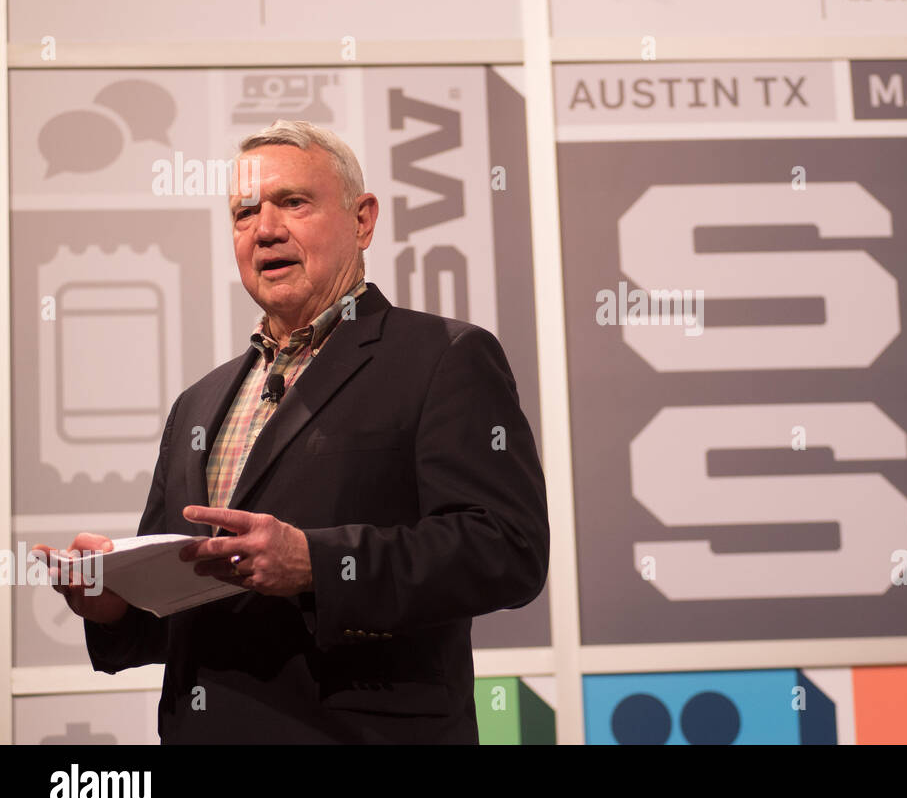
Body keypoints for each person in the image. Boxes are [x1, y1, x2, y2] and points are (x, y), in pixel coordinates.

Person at [36, 120, 548, 743]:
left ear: (362, 220)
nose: (266, 229)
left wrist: (319, 565)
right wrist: (116, 601)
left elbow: (507, 549)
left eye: (293, 203)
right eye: (244, 212)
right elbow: (183, 608)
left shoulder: (444, 357)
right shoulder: (197, 405)